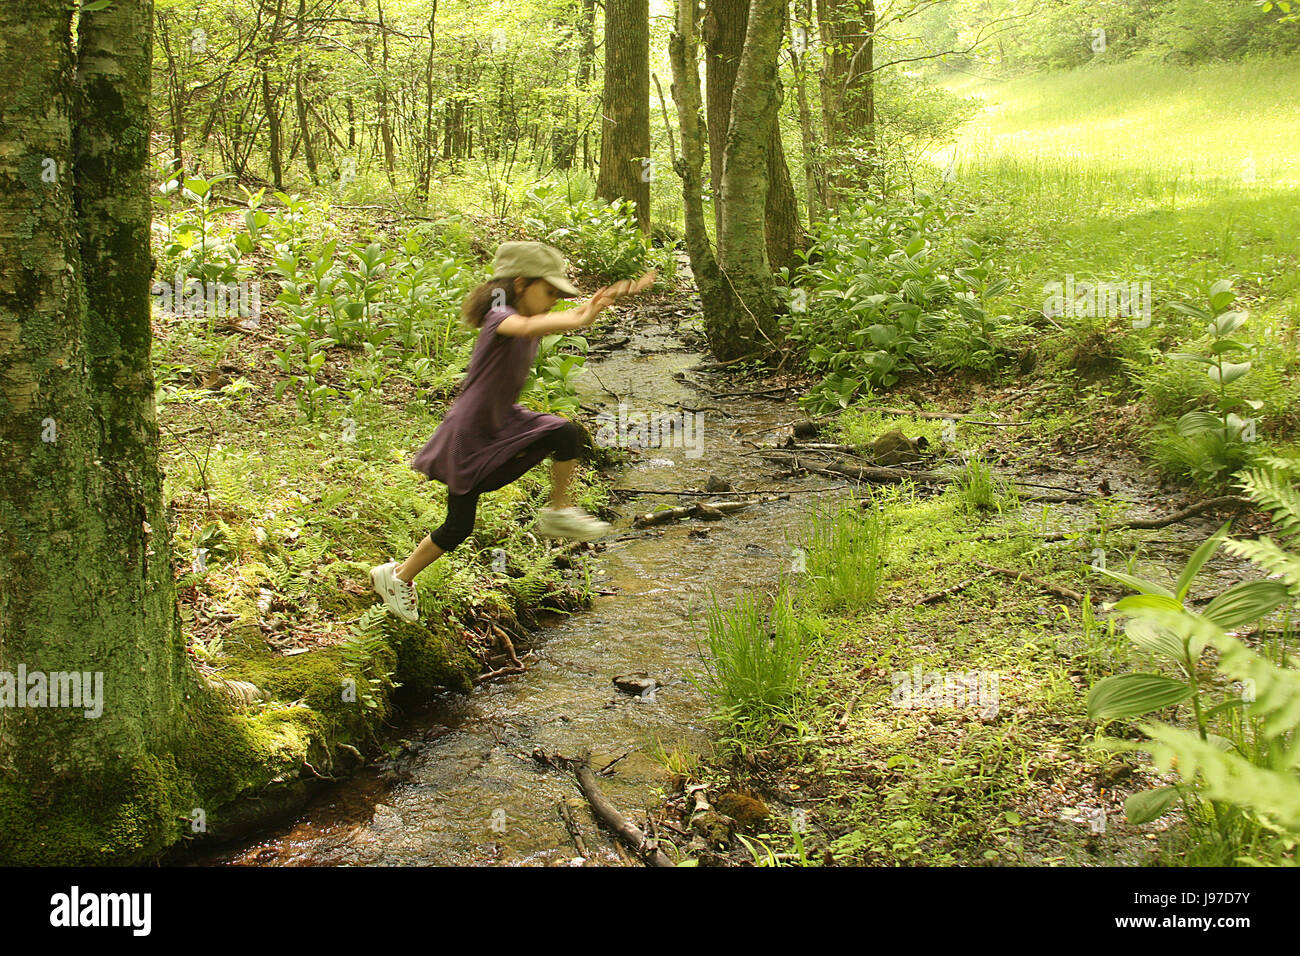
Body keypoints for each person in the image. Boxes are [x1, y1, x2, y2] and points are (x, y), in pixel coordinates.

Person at [370, 240, 656, 622]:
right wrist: (581, 316)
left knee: (566, 434)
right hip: (469, 433)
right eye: (550, 291)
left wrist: (593, 305)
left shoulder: (522, 318)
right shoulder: (501, 317)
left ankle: (557, 509)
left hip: (503, 420)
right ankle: (398, 576)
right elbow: (529, 325)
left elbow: (539, 323)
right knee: (458, 526)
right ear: (520, 284)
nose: (554, 300)